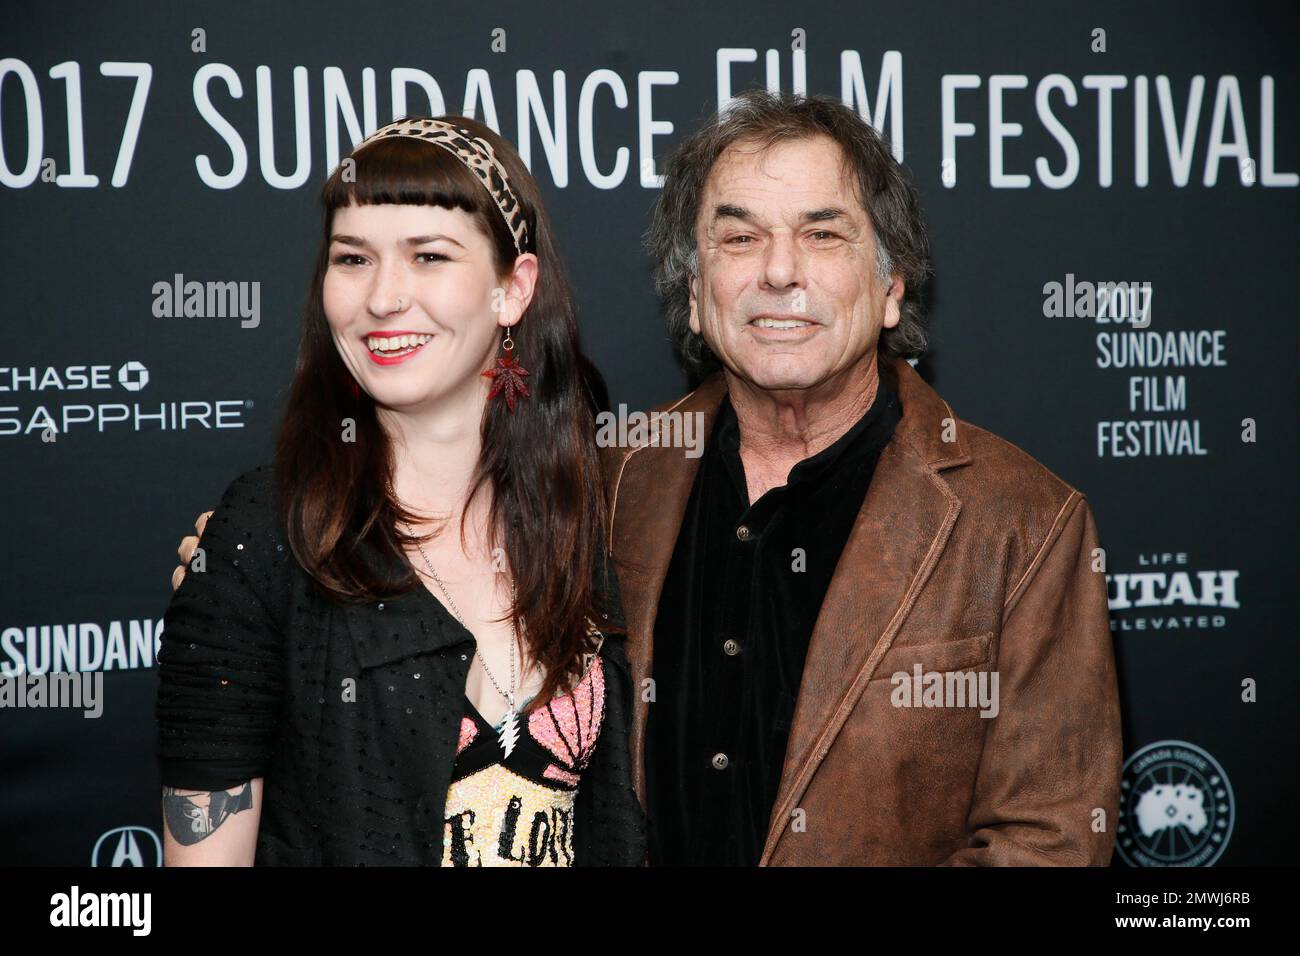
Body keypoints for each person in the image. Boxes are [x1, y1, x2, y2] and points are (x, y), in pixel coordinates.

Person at [610, 89, 1123, 865]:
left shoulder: (1025, 523)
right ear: (693, 290)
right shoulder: (613, 481)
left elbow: (1048, 842)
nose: (780, 273)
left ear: (890, 288)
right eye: (740, 237)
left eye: (823, 234)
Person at [157, 115, 646, 866]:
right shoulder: (264, 536)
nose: (383, 297)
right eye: (352, 258)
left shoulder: (587, 515)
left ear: (512, 290)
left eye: (428, 256)